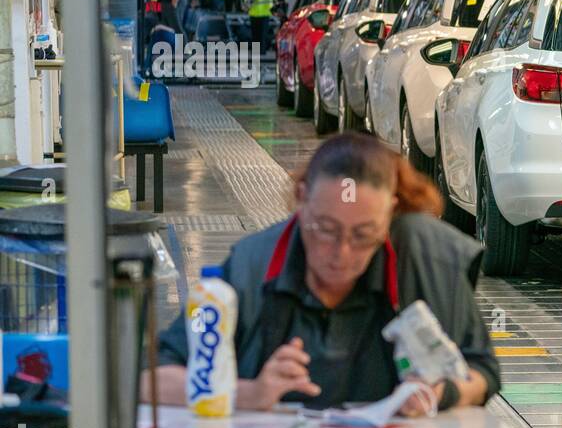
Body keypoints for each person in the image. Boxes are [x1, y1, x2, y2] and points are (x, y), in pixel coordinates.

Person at [148, 132, 499, 413]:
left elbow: (482, 369)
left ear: (390, 212)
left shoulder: (429, 259)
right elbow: (151, 379)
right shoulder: (251, 266)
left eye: (364, 235)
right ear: (301, 199)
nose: (341, 254)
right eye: (325, 229)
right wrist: (248, 393)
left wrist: (441, 393)